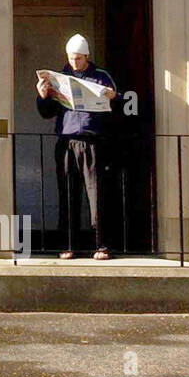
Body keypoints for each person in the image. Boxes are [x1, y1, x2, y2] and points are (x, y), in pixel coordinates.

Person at [36, 34, 118, 260]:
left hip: (92, 141)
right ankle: (68, 244)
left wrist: (111, 96)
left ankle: (102, 245)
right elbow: (46, 113)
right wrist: (43, 96)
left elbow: (116, 106)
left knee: (96, 194)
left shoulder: (101, 76)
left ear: (87, 57)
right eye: (72, 59)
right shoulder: (60, 78)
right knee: (68, 194)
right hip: (66, 141)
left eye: (79, 59)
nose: (75, 63)